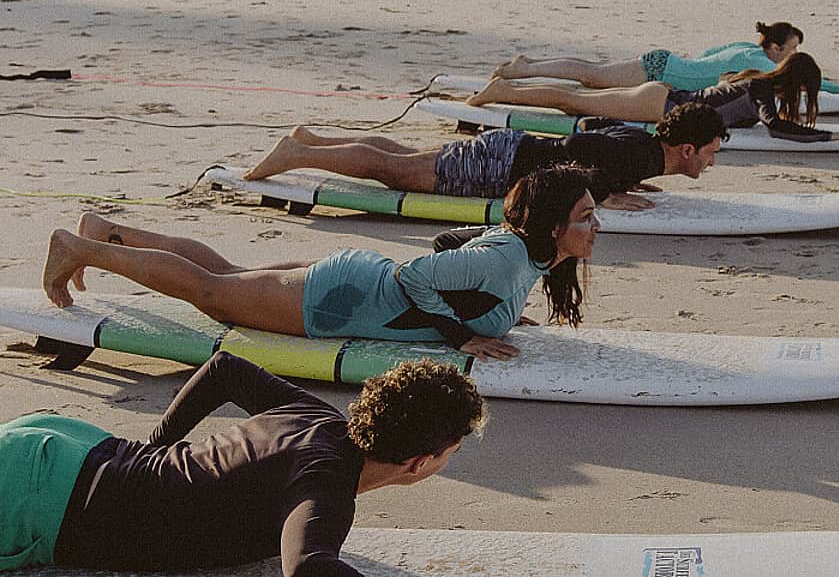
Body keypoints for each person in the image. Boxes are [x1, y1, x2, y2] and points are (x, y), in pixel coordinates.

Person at [42, 165, 601, 361]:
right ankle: (81, 247)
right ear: (553, 226)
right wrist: (461, 335)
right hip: (343, 303)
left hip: (355, 282)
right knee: (211, 293)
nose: (596, 226)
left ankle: (106, 232)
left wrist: (492, 311)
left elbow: (460, 248)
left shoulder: (528, 255)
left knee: (228, 274)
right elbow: (416, 275)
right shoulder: (509, 259)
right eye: (585, 216)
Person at [0, 350, 484, 575]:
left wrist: (152, 450)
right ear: (421, 462)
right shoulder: (327, 487)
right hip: (41, 493)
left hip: (69, 445)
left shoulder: (317, 416)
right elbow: (309, 566)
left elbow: (223, 368)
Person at [242, 102, 728, 212]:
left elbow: (592, 129)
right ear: (686, 148)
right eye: (710, 153)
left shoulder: (642, 149)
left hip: (505, 150)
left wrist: (619, 181)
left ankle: (313, 140)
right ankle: (297, 154)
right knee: (392, 172)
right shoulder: (638, 157)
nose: (711, 161)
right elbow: (582, 147)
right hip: (501, 166)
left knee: (408, 160)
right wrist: (601, 190)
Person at [469, 52, 839, 144]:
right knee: (574, 102)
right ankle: (505, 90)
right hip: (660, 105)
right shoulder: (760, 89)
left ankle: (509, 87)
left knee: (578, 96)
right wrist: (828, 136)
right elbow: (776, 128)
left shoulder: (758, 82)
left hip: (659, 98)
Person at [491, 21, 839, 96]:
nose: (795, 54)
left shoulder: (747, 50)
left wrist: (690, 72)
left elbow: (705, 56)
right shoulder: (765, 65)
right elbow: (806, 78)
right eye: (793, 47)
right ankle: (524, 69)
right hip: (663, 68)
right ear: (777, 48)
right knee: (591, 77)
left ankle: (529, 67)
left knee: (593, 74)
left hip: (667, 65)